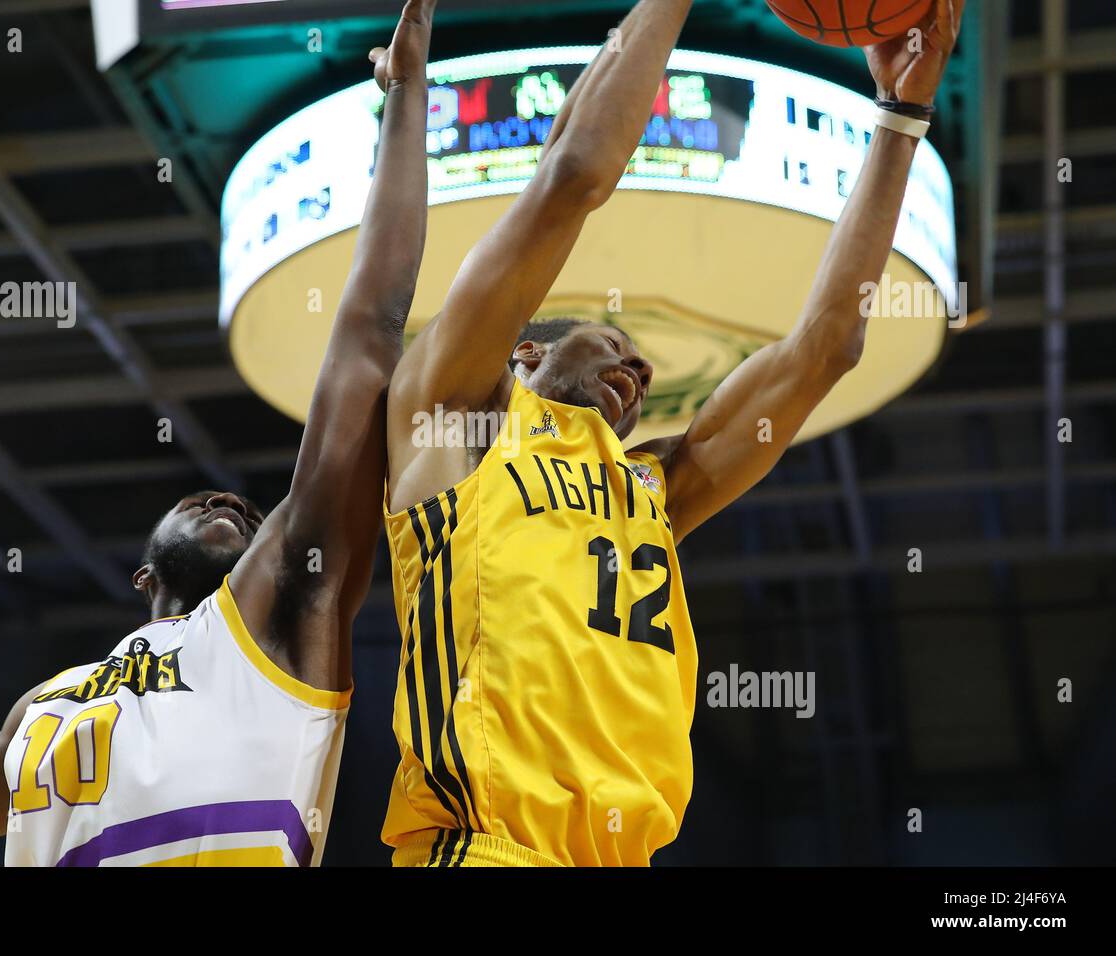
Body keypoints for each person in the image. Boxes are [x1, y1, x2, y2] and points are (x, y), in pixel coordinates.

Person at [0, 0, 439, 868]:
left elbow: (372, 330)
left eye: (247, 511)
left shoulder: (286, 608)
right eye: (200, 500)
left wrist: (406, 100)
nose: (229, 500)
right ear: (144, 572)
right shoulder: (51, 708)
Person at [380, 0, 964, 865]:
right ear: (528, 352)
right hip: (489, 848)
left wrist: (901, 118)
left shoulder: (650, 491)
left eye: (643, 366)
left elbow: (827, 348)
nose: (642, 370)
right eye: (615, 343)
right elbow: (574, 173)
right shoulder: (461, 419)